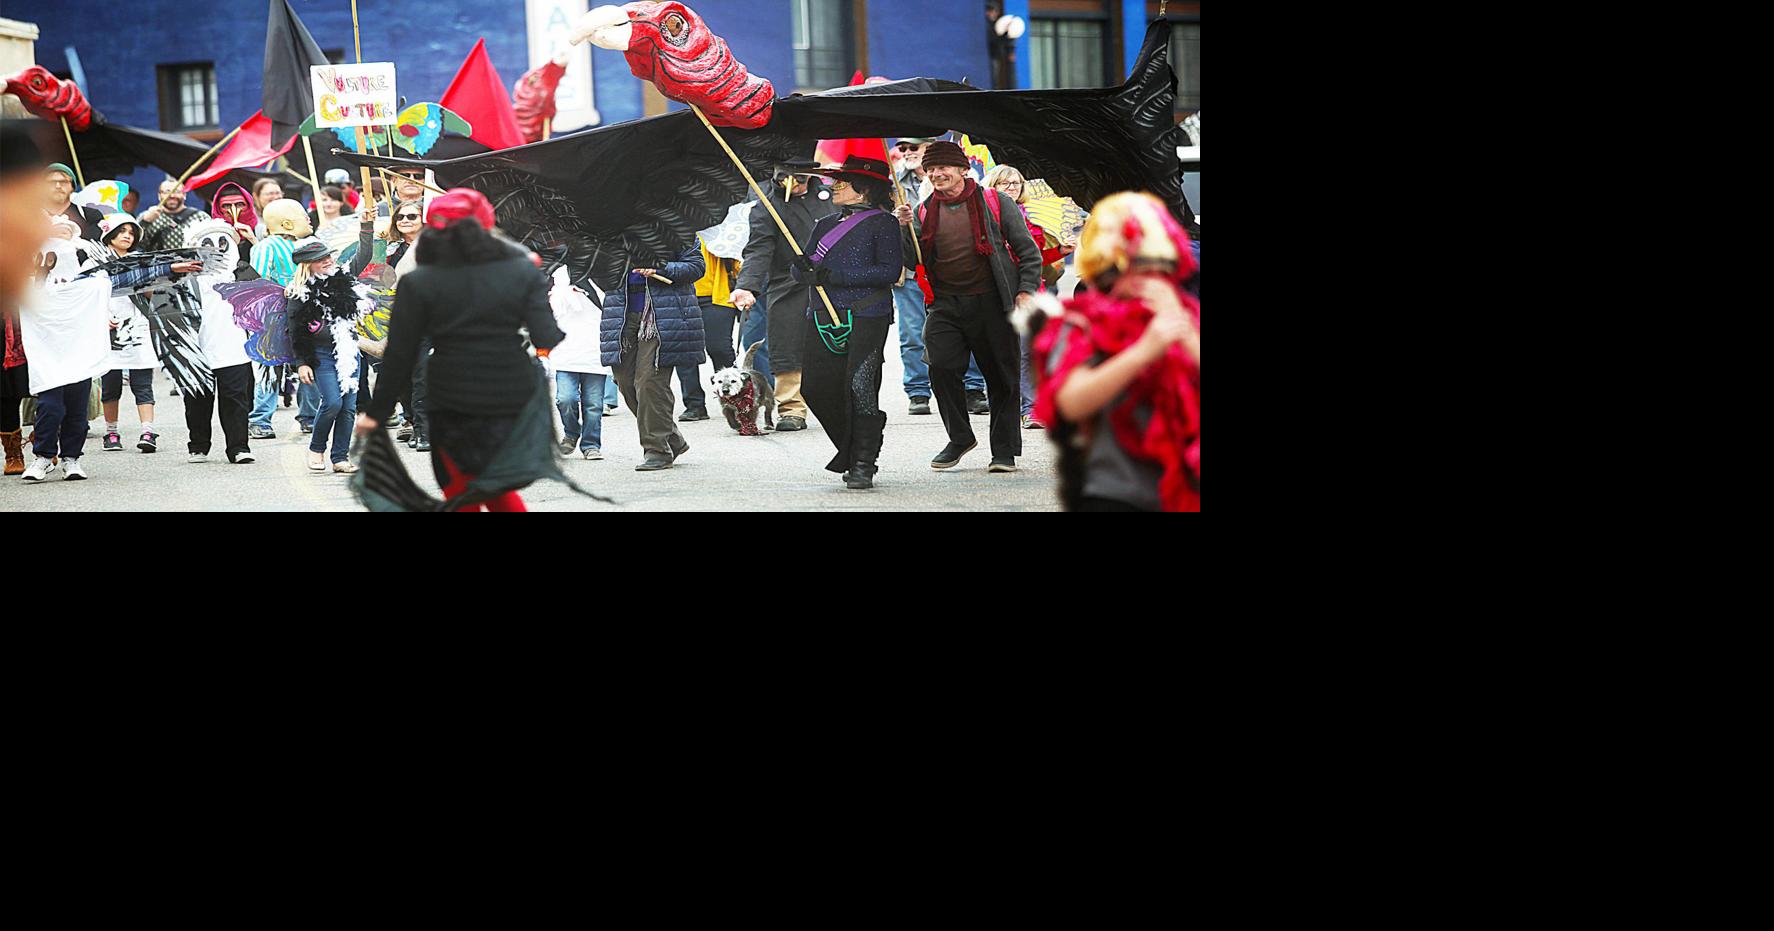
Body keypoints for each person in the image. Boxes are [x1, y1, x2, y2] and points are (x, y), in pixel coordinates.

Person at [356, 189, 566, 512]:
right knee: (490, 481)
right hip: (510, 389)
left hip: (452, 391)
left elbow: (399, 356)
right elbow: (546, 335)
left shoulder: (418, 282)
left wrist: (377, 413)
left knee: (461, 484)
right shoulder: (520, 270)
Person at [1028, 192, 1199, 511]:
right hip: (1115, 492)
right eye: (1137, 267)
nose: (1151, 280)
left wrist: (1182, 327)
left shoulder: (1187, 314)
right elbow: (1069, 402)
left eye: (1161, 268)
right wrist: (1144, 351)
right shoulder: (1081, 323)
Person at [893, 141, 1040, 473]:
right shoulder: (923, 210)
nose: (936, 174)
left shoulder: (996, 202)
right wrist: (902, 228)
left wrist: (1025, 291)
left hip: (993, 301)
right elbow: (912, 260)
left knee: (1001, 378)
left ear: (962, 169)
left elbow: (1028, 251)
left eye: (943, 167)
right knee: (940, 367)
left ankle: (1003, 451)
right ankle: (960, 437)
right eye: (931, 169)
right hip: (946, 304)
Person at [792, 156, 904, 489]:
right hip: (822, 315)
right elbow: (804, 269)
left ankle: (863, 462)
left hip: (867, 315)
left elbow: (889, 272)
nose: (835, 186)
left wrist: (834, 276)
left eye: (842, 182)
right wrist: (800, 269)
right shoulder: (824, 225)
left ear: (863, 189)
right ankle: (853, 448)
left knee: (860, 386)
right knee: (815, 388)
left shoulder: (884, 223)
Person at [730, 161, 836, 432]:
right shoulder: (767, 205)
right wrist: (747, 286)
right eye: (785, 177)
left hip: (832, 282)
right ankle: (791, 408)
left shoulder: (833, 197)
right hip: (788, 282)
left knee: (834, 343)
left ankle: (839, 402)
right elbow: (758, 248)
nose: (792, 183)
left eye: (799, 177)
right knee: (786, 343)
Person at [892, 138, 990, 415]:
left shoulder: (966, 183)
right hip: (910, 273)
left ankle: (972, 388)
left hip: (947, 273)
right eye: (903, 148)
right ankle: (918, 392)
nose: (907, 153)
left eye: (914, 147)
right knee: (913, 334)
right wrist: (898, 222)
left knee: (967, 331)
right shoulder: (893, 184)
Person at [602, 245, 705, 470]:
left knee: (649, 382)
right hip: (621, 315)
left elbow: (696, 267)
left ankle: (657, 450)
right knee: (625, 382)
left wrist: (660, 268)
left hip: (661, 316)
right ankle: (672, 439)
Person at [983, 164, 1065, 430]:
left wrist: (1060, 251)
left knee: (1030, 350)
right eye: (1004, 183)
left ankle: (1032, 408)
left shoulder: (1032, 216)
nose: (1011, 188)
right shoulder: (986, 214)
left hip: (1031, 290)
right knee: (1005, 352)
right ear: (993, 186)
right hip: (998, 290)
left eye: (1016, 183)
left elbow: (1035, 258)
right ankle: (1011, 405)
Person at [286, 237, 369, 474]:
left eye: (328, 256)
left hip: (348, 351)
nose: (328, 261)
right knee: (333, 402)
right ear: (307, 265)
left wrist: (366, 226)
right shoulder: (298, 292)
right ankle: (316, 448)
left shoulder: (342, 278)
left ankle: (340, 457)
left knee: (348, 407)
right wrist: (302, 363)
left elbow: (364, 255)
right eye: (320, 259)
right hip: (321, 355)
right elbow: (295, 331)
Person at [180, 219, 258, 464]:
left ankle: (238, 447)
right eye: (208, 243)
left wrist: (253, 241)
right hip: (197, 346)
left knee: (236, 398)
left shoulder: (243, 273)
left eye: (222, 242)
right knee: (197, 399)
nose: (216, 248)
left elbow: (265, 299)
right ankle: (198, 446)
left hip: (233, 346)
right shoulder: (184, 279)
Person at [88, 214, 161, 453]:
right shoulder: (94, 262)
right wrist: (100, 317)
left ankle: (148, 431)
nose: (127, 236)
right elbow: (85, 294)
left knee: (143, 382)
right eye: (122, 231)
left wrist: (146, 282)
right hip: (107, 328)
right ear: (109, 234)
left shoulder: (140, 261)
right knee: (110, 385)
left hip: (138, 327)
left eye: (131, 232)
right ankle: (111, 432)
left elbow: (153, 295)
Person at [1, 124, 49, 476]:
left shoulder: (33, 220)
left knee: (42, 382)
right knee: (4, 392)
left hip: (28, 317)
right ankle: (13, 450)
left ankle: (45, 441)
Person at [247, 198, 313, 439]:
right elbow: (257, 282)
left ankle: (309, 416)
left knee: (308, 363)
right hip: (273, 318)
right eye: (303, 215)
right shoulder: (266, 247)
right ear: (286, 223)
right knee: (269, 368)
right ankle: (260, 419)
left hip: (305, 315)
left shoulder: (308, 245)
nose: (309, 219)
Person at [546, 267, 609, 460]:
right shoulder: (558, 282)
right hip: (566, 354)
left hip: (594, 354)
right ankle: (571, 433)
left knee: (593, 404)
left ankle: (591, 444)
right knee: (565, 399)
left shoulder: (602, 280)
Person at [680, 236, 739, 421]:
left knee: (719, 348)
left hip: (717, 296)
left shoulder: (719, 228)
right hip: (681, 296)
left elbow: (739, 257)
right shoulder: (673, 229)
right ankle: (694, 405)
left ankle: (735, 399)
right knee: (684, 352)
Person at [137, 177, 212, 252]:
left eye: (177, 191)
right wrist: (145, 222)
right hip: (159, 259)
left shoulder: (200, 217)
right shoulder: (146, 216)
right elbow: (137, 245)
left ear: (184, 194)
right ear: (159, 195)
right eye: (167, 192)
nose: (172, 195)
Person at [44, 163, 104, 240]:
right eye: (52, 182)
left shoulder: (90, 215)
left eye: (63, 182)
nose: (58, 186)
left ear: (72, 187)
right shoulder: (32, 219)